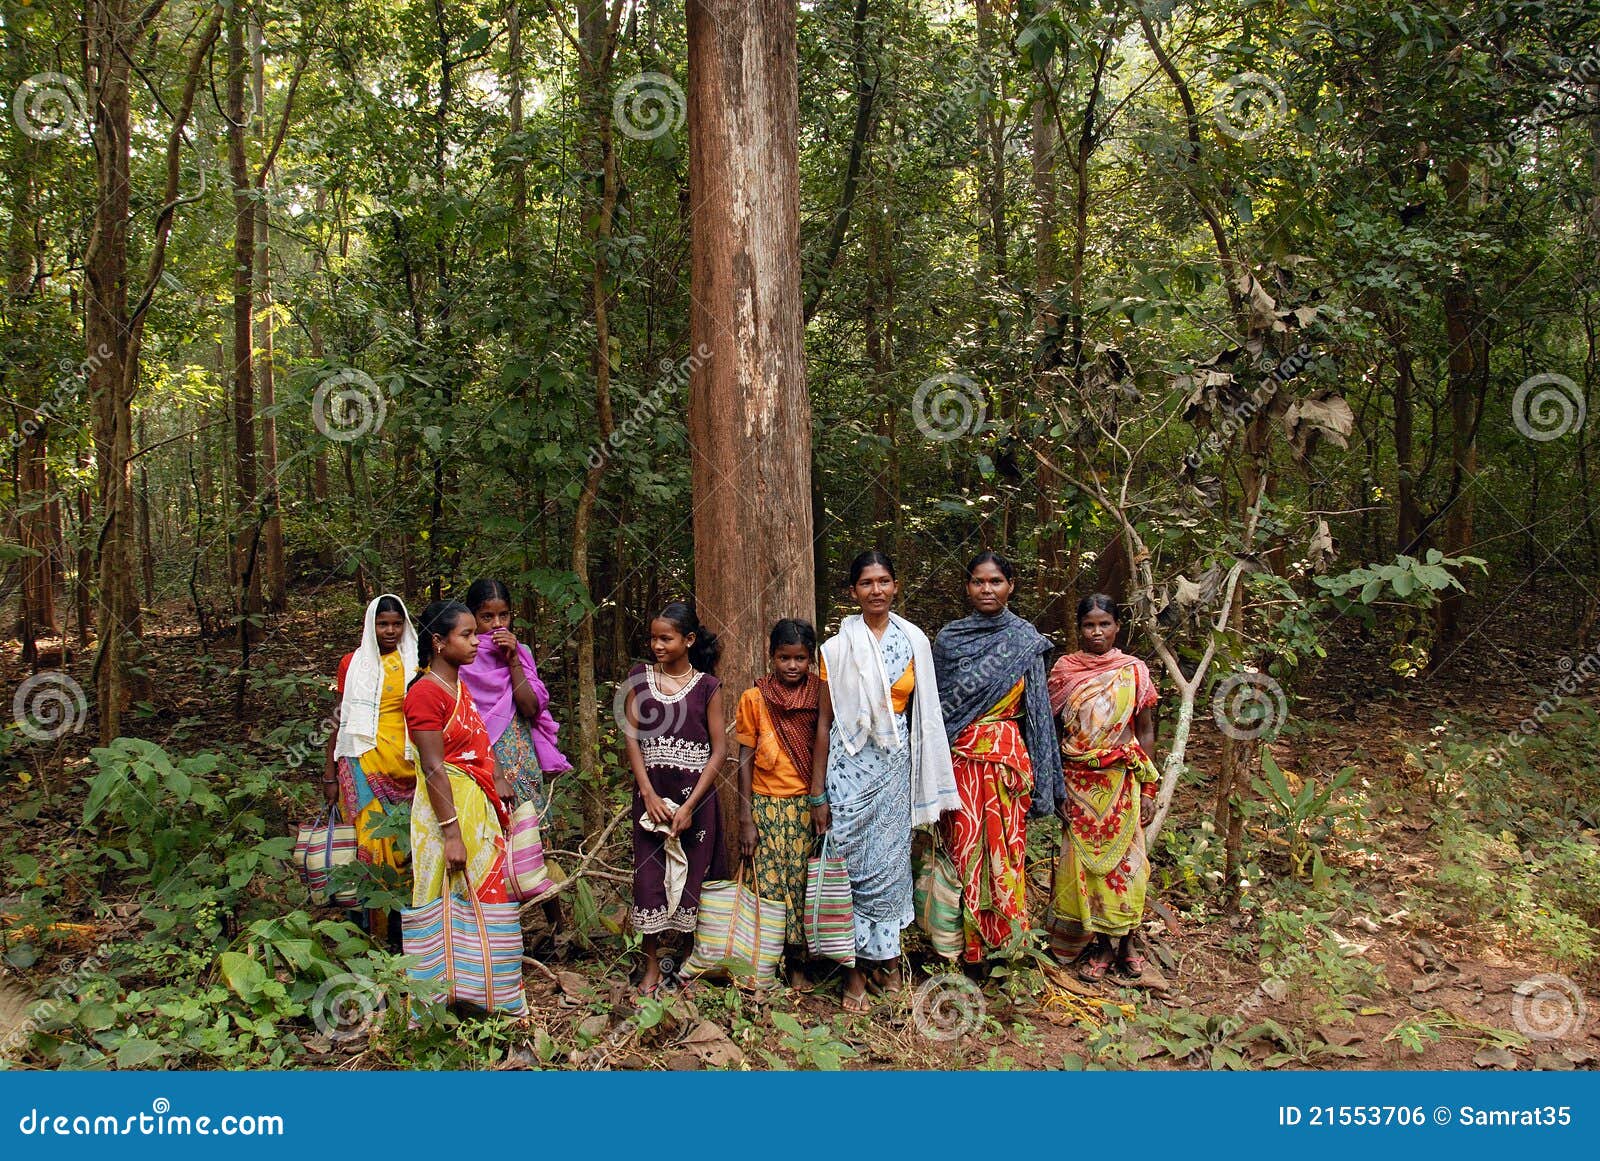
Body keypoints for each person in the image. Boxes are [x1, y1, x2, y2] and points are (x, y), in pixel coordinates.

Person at [815, 550, 959, 1012]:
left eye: (883, 581)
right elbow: (824, 724)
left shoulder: (915, 640)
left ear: (895, 586)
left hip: (896, 767)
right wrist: (818, 792)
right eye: (865, 583)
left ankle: (889, 963)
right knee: (850, 868)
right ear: (853, 591)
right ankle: (853, 969)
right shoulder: (837, 648)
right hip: (846, 769)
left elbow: (926, 715)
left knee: (891, 865)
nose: (875, 590)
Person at [932, 552, 1065, 964]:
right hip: (959, 764)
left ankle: (1007, 947)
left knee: (1005, 854)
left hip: (1007, 764)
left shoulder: (1025, 640)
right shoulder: (949, 641)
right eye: (977, 582)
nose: (986, 589)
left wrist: (1048, 779)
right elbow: (935, 712)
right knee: (962, 852)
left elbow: (1039, 712)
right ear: (967, 587)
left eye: (995, 581)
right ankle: (961, 950)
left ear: (1011, 585)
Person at [1047, 594, 1160, 980]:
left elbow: (1144, 731)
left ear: (1117, 627)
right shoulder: (1065, 672)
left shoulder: (1133, 670)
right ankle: (1102, 946)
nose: (1097, 632)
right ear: (1078, 628)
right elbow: (1053, 732)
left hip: (1122, 781)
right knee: (1086, 871)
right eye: (1089, 625)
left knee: (1128, 866)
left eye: (1105, 624)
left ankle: (1128, 941)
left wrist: (1148, 789)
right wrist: (1056, 788)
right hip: (1077, 781)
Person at [623, 601, 728, 998]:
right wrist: (647, 792)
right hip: (651, 797)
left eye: (666, 638)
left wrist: (689, 807)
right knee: (648, 878)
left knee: (693, 880)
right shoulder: (639, 678)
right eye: (653, 638)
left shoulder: (708, 687)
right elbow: (631, 736)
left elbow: (718, 750)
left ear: (688, 640)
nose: (657, 645)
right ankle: (651, 964)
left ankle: (686, 962)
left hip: (694, 800)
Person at [460, 579, 572, 936]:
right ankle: (499, 930)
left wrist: (513, 662)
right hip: (482, 760)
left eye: (503, 615)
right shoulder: (462, 657)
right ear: (472, 619)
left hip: (521, 757)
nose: (496, 625)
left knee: (535, 837)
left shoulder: (519, 652)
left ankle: (558, 926)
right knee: (490, 843)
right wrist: (493, 771)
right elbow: (466, 721)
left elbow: (530, 705)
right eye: (486, 616)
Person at [404, 600, 517, 909]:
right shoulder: (425, 694)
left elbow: (477, 738)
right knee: (450, 904)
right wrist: (452, 835)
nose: (476, 641)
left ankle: (485, 957)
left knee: (484, 897)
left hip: (475, 809)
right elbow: (432, 766)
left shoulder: (457, 686)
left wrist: (497, 777)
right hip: (448, 813)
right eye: (466, 635)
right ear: (438, 642)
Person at [736, 618, 828, 989]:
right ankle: (764, 963)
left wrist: (820, 800)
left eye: (800, 658)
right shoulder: (754, 698)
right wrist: (745, 816)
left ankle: (798, 965)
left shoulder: (821, 694)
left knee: (803, 886)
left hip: (805, 806)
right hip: (764, 807)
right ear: (771, 657)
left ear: (811, 659)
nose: (792, 666)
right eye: (784, 657)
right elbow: (743, 758)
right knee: (769, 888)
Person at [323, 594, 419, 947]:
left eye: (396, 623)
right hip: (362, 759)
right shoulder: (353, 664)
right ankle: (368, 930)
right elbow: (339, 717)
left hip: (407, 764)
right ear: (371, 625)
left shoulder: (415, 662)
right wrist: (329, 772)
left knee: (404, 847)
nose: (390, 630)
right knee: (371, 842)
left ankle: (403, 929)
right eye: (383, 624)